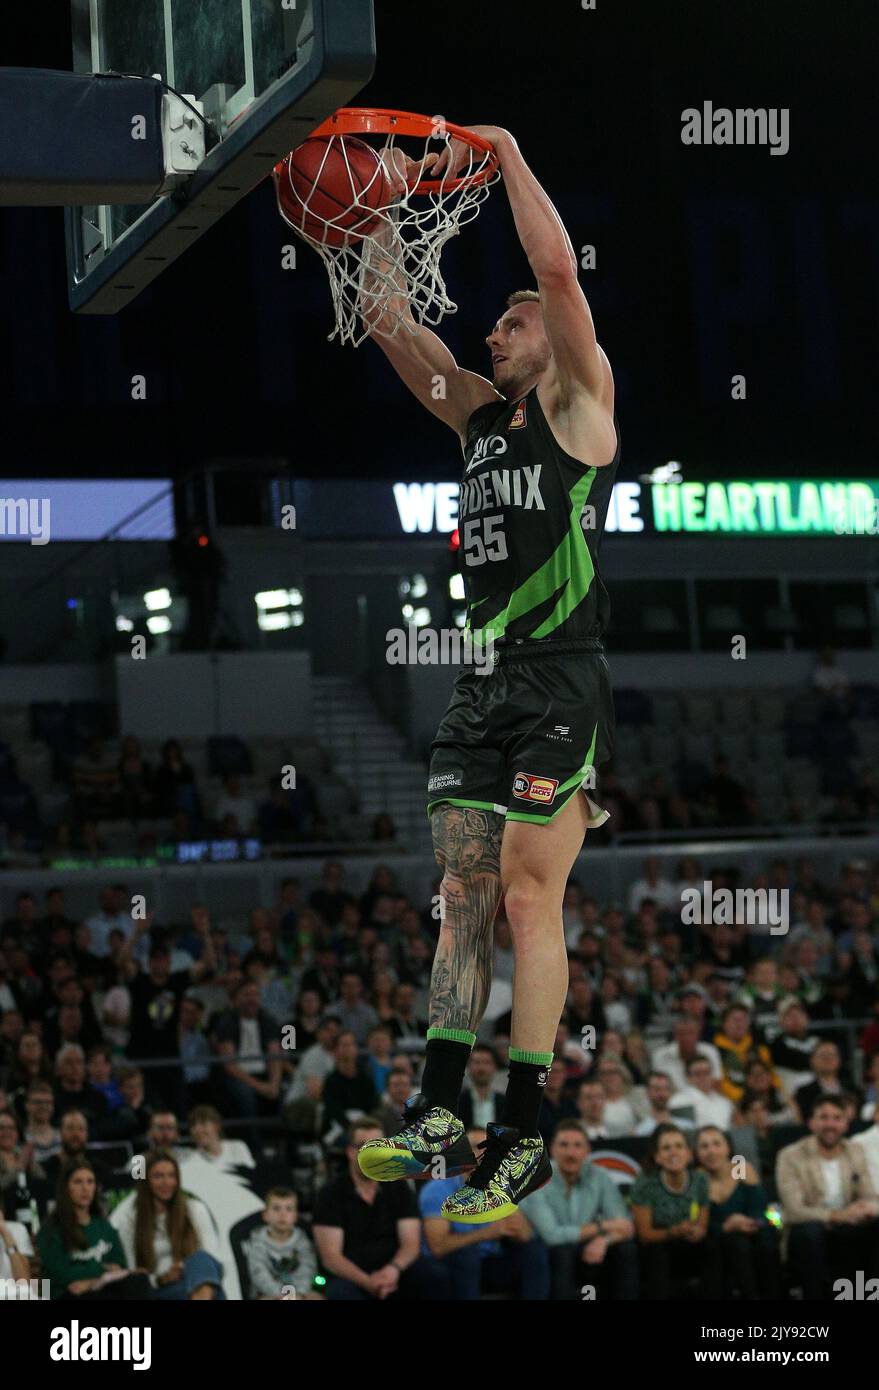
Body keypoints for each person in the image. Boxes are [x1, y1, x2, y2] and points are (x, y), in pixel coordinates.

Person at [355, 123, 619, 1224]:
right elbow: (384, 317)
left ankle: (521, 1127)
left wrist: (503, 151)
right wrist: (366, 203)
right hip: (483, 680)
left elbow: (555, 269)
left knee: (522, 891)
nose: (492, 331)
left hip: (562, 681)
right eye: (497, 322)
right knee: (459, 895)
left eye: (509, 323)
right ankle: (440, 1106)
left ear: (548, 341)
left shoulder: (578, 404)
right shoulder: (475, 419)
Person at [313, 1117, 439, 1300]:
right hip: (351, 1276)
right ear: (350, 1152)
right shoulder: (330, 1193)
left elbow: (411, 1244)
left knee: (434, 1276)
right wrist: (368, 1282)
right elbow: (331, 1257)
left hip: (393, 1270)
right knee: (340, 1293)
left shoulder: (399, 1187)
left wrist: (393, 1270)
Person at [419, 1126, 550, 1300]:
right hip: (451, 1264)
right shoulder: (438, 1190)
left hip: (489, 1262)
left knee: (534, 1250)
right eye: (476, 1146)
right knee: (468, 1257)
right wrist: (487, 1233)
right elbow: (437, 1247)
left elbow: (525, 1235)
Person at [776, 1096, 879, 1299]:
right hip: (809, 1226)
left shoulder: (855, 1150)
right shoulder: (791, 1156)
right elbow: (794, 1210)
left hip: (848, 1227)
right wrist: (836, 1216)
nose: (830, 1124)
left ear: (846, 1124)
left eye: (837, 1118)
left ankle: (867, 1295)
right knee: (811, 1233)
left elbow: (868, 1195)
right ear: (812, 1123)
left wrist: (866, 1209)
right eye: (824, 1117)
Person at [524, 1119, 637, 1299]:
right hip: (547, 1250)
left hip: (588, 1244)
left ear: (587, 1151)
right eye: (564, 1145)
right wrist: (602, 1227)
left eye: (578, 1146)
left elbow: (624, 1225)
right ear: (552, 1150)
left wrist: (604, 1241)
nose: (571, 1153)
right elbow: (552, 1236)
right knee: (563, 1253)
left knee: (626, 1249)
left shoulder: (599, 1175)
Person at [110, 1149, 225, 1299]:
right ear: (146, 1181)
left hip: (192, 1281)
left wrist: (184, 1269)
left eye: (171, 1176)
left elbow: (212, 1258)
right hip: (158, 1291)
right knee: (214, 1292)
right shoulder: (130, 1221)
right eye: (158, 1176)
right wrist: (162, 1278)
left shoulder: (195, 1209)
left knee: (201, 1259)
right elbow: (134, 1276)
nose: (166, 1182)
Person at [38, 1160, 152, 1300]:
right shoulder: (51, 1229)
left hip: (100, 1288)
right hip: (67, 1295)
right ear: (66, 1188)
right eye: (78, 1182)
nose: (85, 1188)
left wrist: (91, 1281)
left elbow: (120, 1265)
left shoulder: (103, 1226)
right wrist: (104, 1270)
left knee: (140, 1279)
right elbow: (62, 1274)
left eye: (90, 1182)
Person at [694, 1124, 781, 1299]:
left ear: (728, 1147)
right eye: (704, 1146)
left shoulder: (741, 1167)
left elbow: (761, 1209)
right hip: (717, 1239)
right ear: (696, 1153)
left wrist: (747, 1222)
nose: (711, 1151)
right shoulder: (695, 1179)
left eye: (716, 1144)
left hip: (752, 1230)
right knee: (736, 1243)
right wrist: (726, 1227)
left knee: (766, 1241)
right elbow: (700, 1223)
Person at [629, 1124, 715, 1300]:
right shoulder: (644, 1183)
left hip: (689, 1242)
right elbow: (645, 1235)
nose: (673, 1152)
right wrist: (674, 1231)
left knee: (714, 1244)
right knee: (657, 1253)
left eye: (679, 1146)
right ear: (657, 1157)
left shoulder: (700, 1179)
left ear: (689, 1154)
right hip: (658, 1243)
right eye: (666, 1148)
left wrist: (697, 1231)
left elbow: (702, 1223)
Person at [245, 1187, 319, 1300]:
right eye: (276, 1208)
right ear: (265, 1215)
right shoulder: (257, 1242)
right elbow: (259, 1274)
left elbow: (308, 1269)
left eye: (289, 1209)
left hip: (299, 1293)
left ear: (296, 1216)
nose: (282, 1214)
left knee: (316, 1297)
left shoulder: (303, 1241)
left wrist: (297, 1294)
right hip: (268, 1293)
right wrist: (281, 1295)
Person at [669, 1055, 735, 1130]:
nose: (703, 1077)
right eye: (698, 1074)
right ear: (688, 1077)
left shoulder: (725, 1103)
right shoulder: (678, 1101)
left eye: (707, 1072)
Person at [185, 1105, 254, 1171]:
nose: (197, 1130)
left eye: (203, 1123)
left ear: (217, 1126)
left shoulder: (237, 1147)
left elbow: (251, 1175)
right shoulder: (191, 1161)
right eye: (193, 1125)